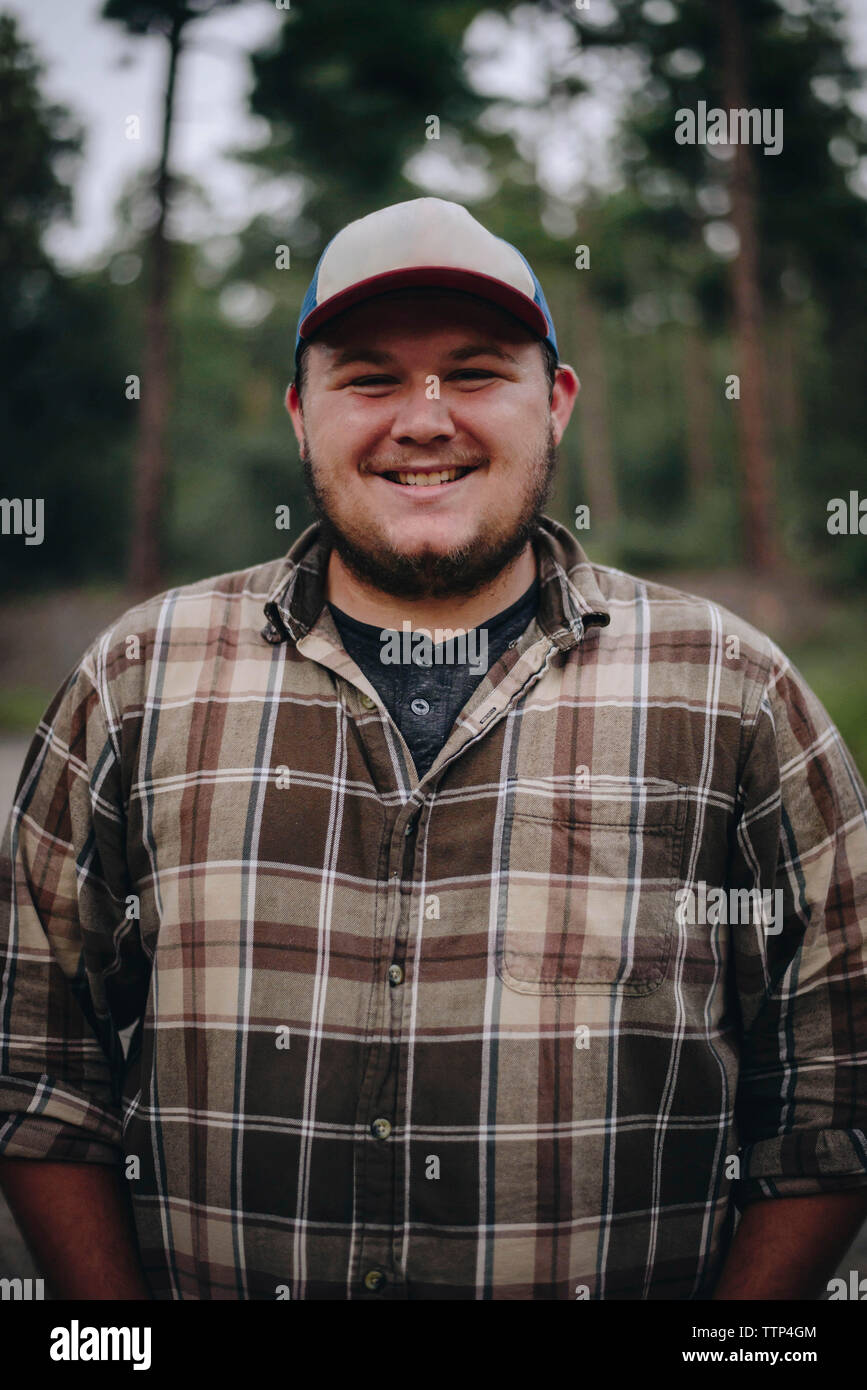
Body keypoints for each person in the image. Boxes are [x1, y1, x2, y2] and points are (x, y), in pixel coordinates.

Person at [1, 197, 865, 1301]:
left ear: (554, 403)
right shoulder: (134, 681)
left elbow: (834, 1093)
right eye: (368, 378)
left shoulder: (736, 693)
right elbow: (36, 1069)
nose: (423, 418)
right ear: (301, 414)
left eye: (474, 372)